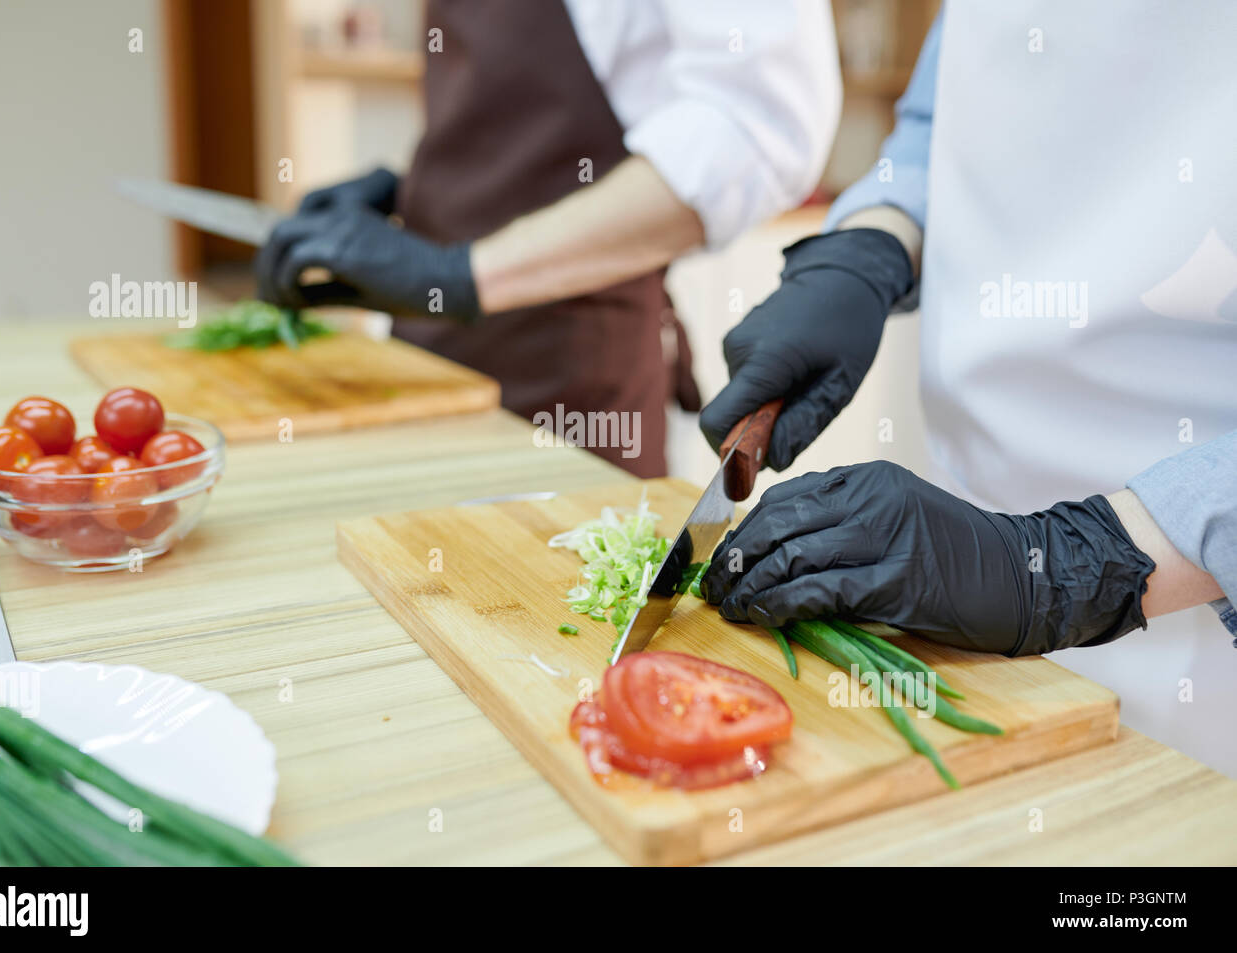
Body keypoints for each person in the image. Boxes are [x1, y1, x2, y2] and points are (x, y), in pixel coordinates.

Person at [697, 3, 1237, 775]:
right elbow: (942, 116)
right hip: (957, 581)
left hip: (1195, 639)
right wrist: (865, 248)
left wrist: (1079, 562)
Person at [255, 0, 841, 477]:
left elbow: (755, 131)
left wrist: (460, 276)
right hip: (432, 365)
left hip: (572, 390)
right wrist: (417, 191)